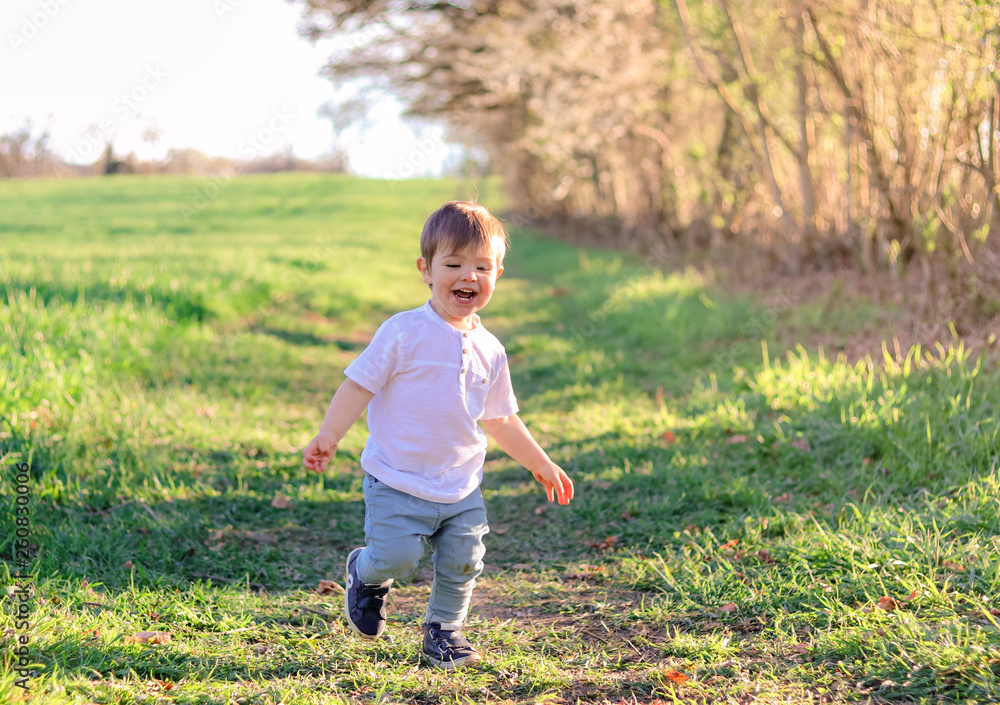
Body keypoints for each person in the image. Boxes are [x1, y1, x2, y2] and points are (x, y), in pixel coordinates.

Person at [301, 200, 574, 669]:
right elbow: (359, 384)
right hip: (397, 479)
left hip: (461, 484)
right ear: (426, 269)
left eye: (481, 267)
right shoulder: (403, 332)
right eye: (454, 264)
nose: (468, 276)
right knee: (396, 557)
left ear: (498, 274)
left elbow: (501, 420)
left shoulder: (491, 350)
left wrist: (539, 462)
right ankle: (364, 574)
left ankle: (444, 631)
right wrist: (330, 434)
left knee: (464, 561)